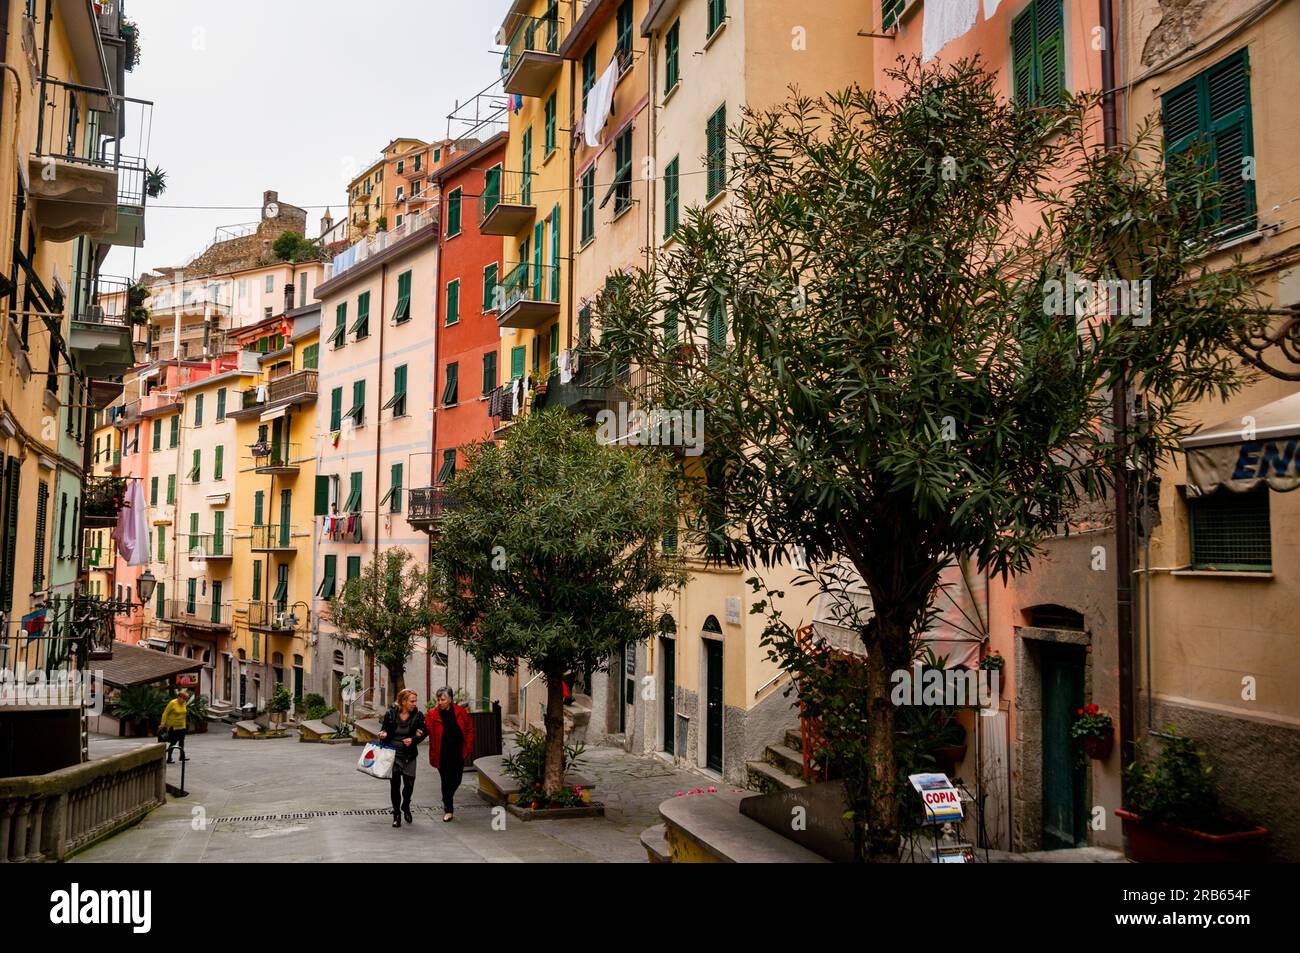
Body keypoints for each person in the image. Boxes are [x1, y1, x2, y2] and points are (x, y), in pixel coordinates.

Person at [425, 687, 474, 822]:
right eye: (438, 699)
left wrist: (468, 746)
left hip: (457, 753)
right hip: (441, 754)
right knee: (446, 781)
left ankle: (447, 797)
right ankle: (448, 809)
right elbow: (425, 729)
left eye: (443, 699)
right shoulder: (433, 714)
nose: (440, 702)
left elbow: (469, 728)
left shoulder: (460, 712)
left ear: (450, 699)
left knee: (457, 779)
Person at [379, 689, 426, 827]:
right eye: (412, 701)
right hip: (393, 754)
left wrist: (413, 739)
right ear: (403, 701)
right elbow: (385, 731)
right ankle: (396, 814)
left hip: (409, 755)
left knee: (409, 785)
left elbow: (423, 732)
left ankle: (405, 805)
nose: (414, 703)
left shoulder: (417, 715)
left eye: (415, 701)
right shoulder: (391, 714)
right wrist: (383, 735)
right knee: (395, 785)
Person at [159, 690, 190, 764]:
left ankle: (182, 756)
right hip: (173, 726)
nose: (184, 700)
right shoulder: (172, 703)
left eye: (185, 699)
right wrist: (163, 723)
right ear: (179, 697)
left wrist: (185, 725)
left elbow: (184, 714)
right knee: (173, 742)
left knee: (181, 742)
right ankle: (169, 758)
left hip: (182, 726)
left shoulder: (184, 703)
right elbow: (165, 713)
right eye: (183, 698)